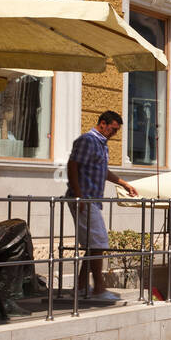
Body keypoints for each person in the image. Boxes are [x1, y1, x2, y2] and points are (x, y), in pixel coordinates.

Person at [66, 110, 137, 302]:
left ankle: (81, 287)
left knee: (93, 243)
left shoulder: (102, 145)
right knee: (98, 242)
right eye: (113, 129)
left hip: (92, 200)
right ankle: (98, 287)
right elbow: (72, 165)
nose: (115, 133)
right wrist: (79, 195)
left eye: (117, 130)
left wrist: (123, 183)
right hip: (84, 199)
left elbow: (103, 171)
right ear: (103, 124)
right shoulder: (88, 140)